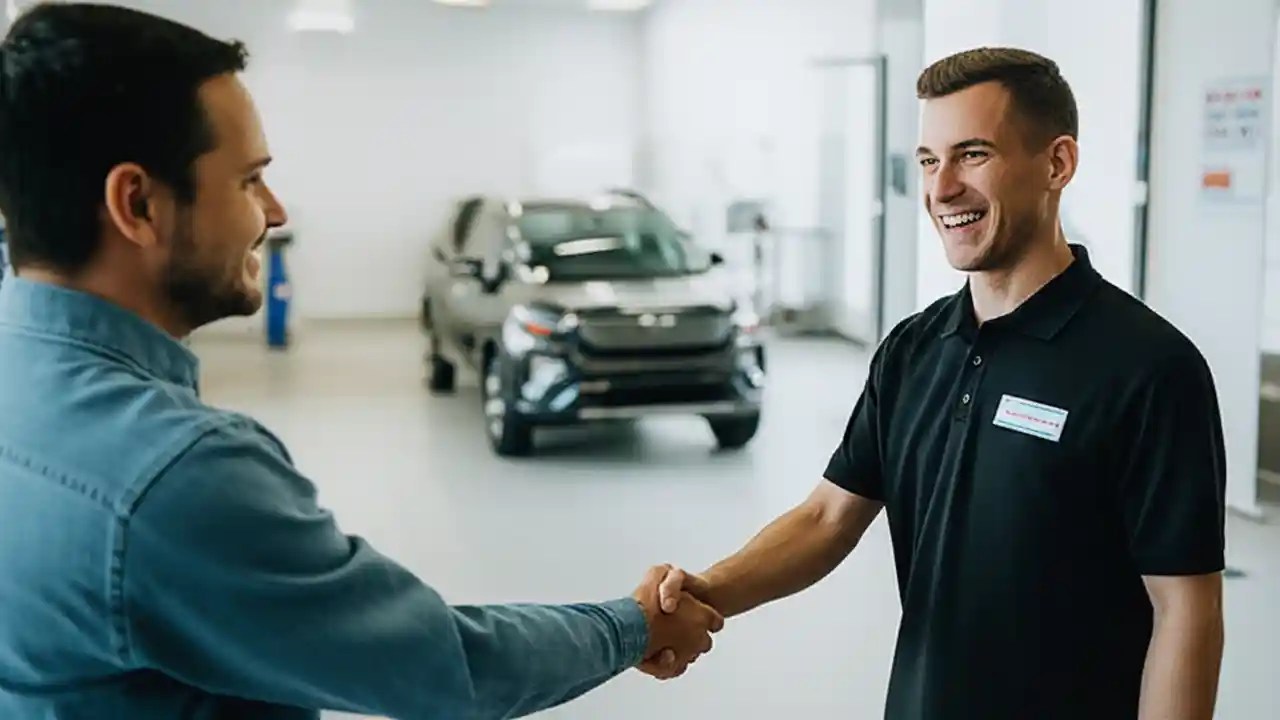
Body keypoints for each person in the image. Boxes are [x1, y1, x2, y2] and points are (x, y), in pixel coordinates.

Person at [0, 4, 720, 719]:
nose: (274, 212)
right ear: (139, 204)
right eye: (249, 179)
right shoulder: (174, 474)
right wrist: (634, 626)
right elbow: (447, 667)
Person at [650, 47, 1227, 719]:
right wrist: (707, 591)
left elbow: (1184, 610)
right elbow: (827, 518)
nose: (941, 188)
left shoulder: (1147, 367)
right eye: (929, 160)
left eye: (973, 154)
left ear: (1057, 163)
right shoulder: (914, 350)